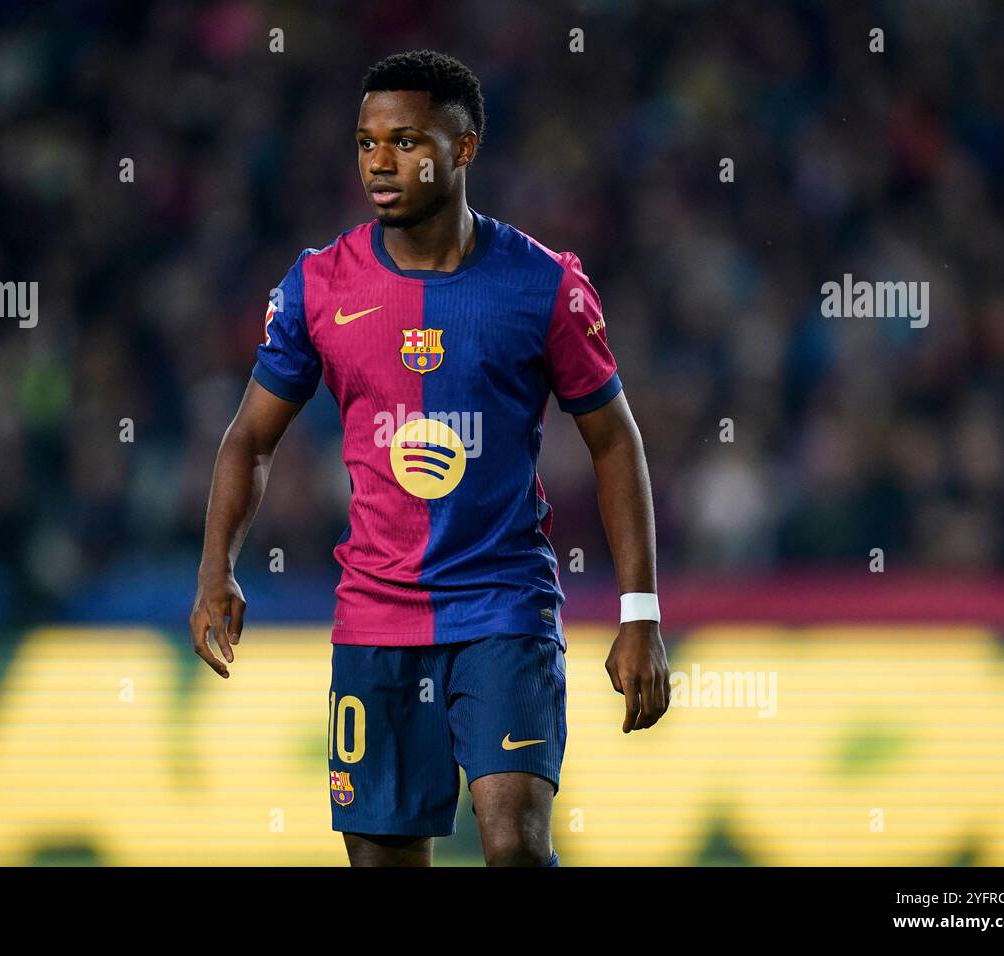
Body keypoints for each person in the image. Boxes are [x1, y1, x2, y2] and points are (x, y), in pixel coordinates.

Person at [189, 50, 669, 867]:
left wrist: (640, 615)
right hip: (376, 614)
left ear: (465, 147)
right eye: (367, 143)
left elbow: (614, 439)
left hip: (503, 607)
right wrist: (216, 572)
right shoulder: (318, 288)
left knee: (514, 843)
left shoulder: (543, 286)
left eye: (407, 141)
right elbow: (250, 438)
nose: (381, 162)